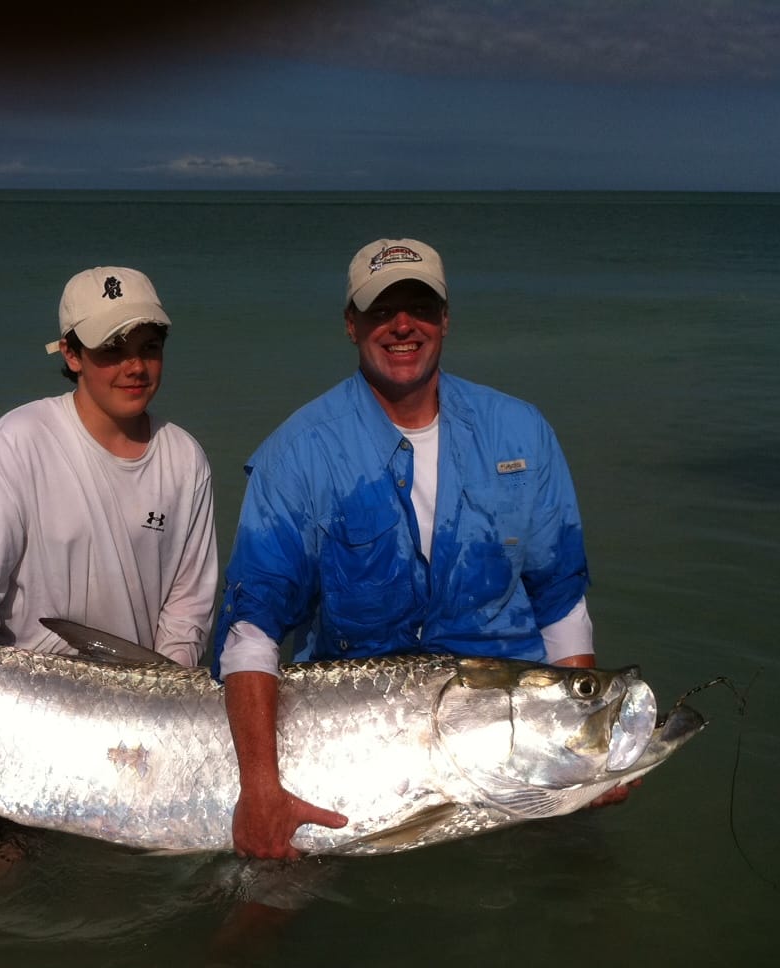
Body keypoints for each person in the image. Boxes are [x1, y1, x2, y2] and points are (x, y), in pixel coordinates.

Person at [213, 237, 621, 861]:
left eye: (419, 307)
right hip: (355, 742)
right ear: (352, 324)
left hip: (517, 743)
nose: (402, 325)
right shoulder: (296, 455)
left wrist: (588, 748)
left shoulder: (521, 432)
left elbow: (560, 601)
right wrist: (260, 787)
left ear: (445, 319)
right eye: (381, 309)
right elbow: (251, 629)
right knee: (265, 908)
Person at [0, 266, 219, 814]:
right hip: (23, 712)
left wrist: (160, 711)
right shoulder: (18, 441)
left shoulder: (186, 459)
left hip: (136, 725)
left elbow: (188, 609)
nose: (135, 366)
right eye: (112, 348)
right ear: (71, 354)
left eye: (149, 347)